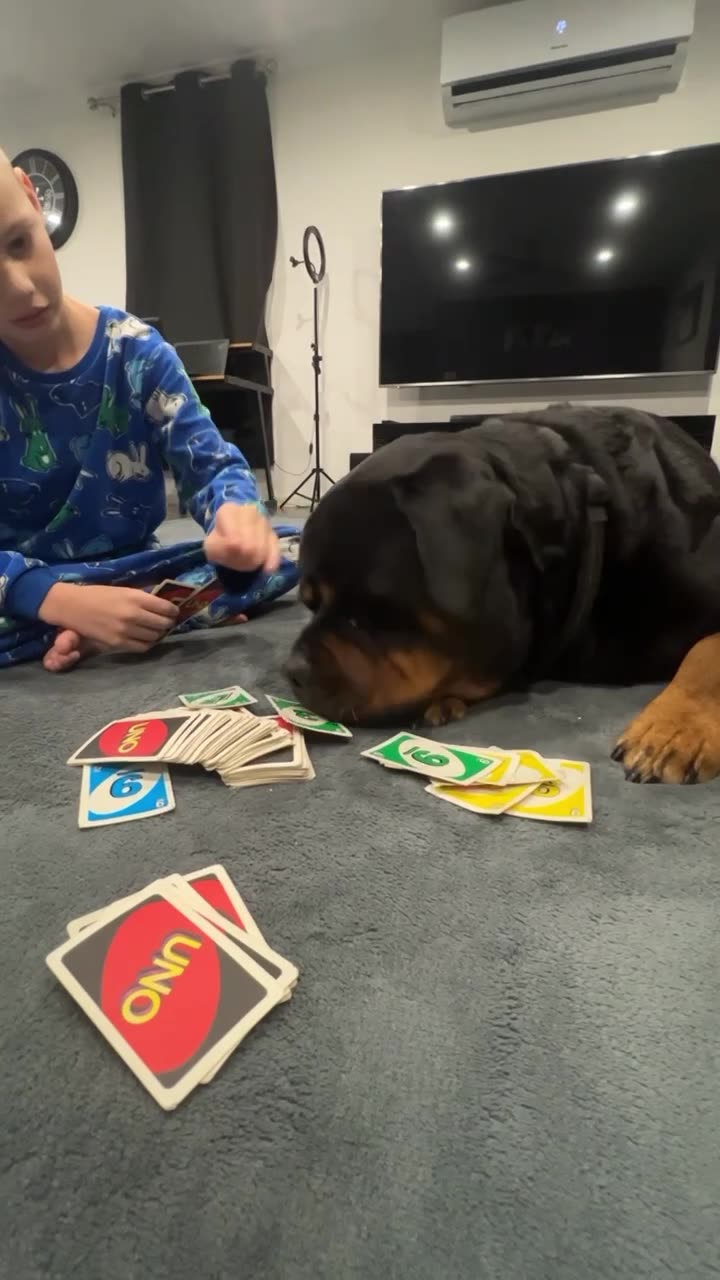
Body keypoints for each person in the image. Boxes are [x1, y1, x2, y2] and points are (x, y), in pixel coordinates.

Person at [0, 149, 299, 671]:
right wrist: (59, 600)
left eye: (19, 243)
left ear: (31, 195)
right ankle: (137, 620)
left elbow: (213, 468)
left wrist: (234, 516)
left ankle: (118, 625)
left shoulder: (135, 349)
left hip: (133, 573)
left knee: (293, 547)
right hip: (23, 588)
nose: (21, 288)